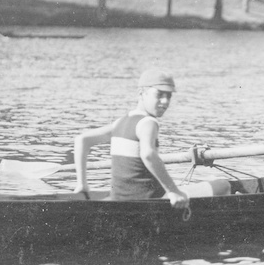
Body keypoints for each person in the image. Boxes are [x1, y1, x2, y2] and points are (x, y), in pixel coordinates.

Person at [74, 69, 229, 207]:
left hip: (118, 198)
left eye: (168, 96)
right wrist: (173, 191)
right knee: (223, 185)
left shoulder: (120, 123)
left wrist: (82, 184)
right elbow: (148, 154)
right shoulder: (148, 122)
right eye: (159, 94)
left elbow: (82, 140)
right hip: (149, 201)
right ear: (142, 93)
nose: (165, 101)